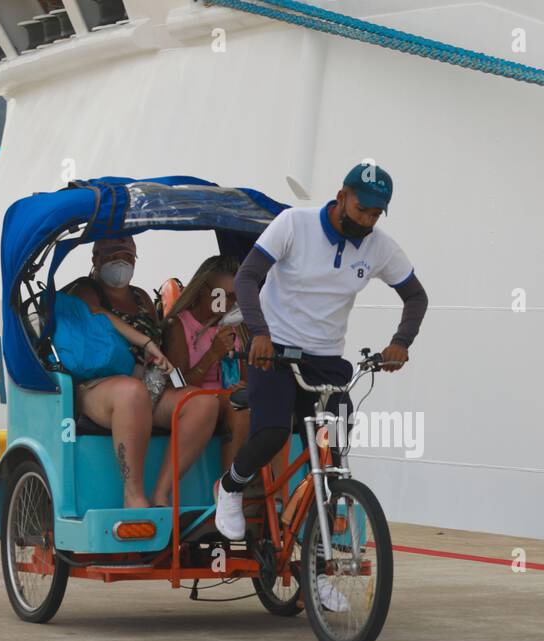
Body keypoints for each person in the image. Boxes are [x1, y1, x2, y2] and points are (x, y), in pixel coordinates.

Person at [213, 162, 429, 610]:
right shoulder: (294, 224)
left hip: (327, 362)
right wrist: (260, 333)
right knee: (272, 432)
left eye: (376, 213)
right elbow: (247, 277)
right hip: (273, 352)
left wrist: (399, 342)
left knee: (333, 459)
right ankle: (231, 488)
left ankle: (316, 568)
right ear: (341, 195)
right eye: (362, 207)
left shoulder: (379, 248)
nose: (367, 219)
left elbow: (415, 296)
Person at [68, 237, 219, 509]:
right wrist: (145, 342)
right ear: (96, 258)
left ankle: (162, 494)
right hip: (97, 385)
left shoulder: (141, 297)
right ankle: (133, 496)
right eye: (114, 254)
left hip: (148, 383)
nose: (121, 261)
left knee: (203, 403)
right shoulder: (84, 290)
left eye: (127, 255)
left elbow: (158, 336)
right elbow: (100, 315)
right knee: (131, 392)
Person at [161, 255, 251, 472]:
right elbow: (177, 384)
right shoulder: (178, 326)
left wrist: (245, 386)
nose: (230, 303)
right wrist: (212, 355)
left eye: (236, 297)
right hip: (197, 403)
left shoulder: (238, 328)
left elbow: (247, 377)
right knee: (236, 405)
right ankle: (229, 488)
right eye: (224, 296)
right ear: (203, 290)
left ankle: (272, 493)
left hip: (229, 400)